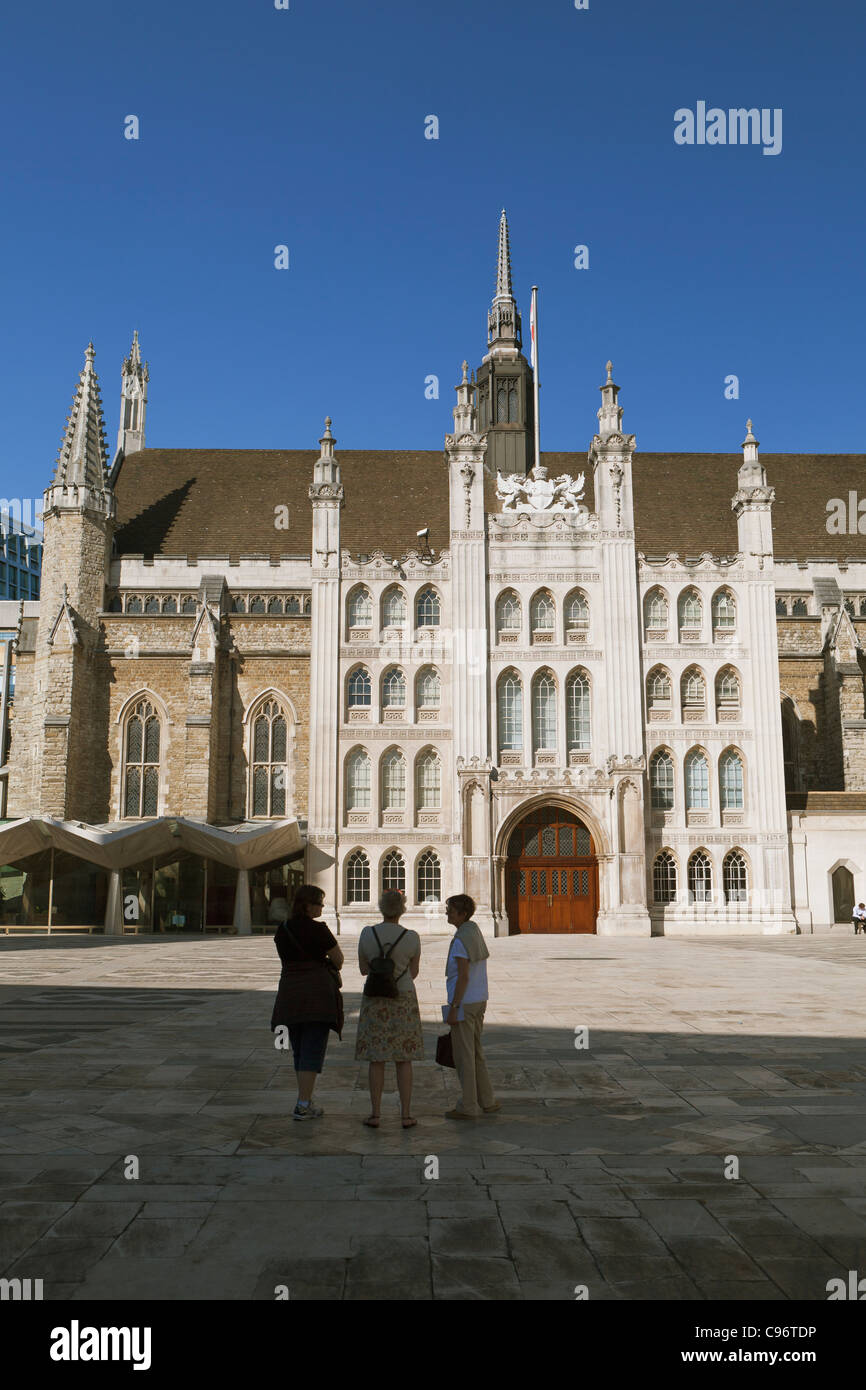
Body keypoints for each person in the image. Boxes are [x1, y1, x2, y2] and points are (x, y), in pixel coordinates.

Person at [270, 884, 344, 1120]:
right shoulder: (319, 930)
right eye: (319, 903)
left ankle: (305, 1098)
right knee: (312, 1048)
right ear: (308, 905)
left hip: (290, 992)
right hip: (316, 994)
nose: (322, 907)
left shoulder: (283, 929)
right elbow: (338, 959)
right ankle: (303, 1103)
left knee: (300, 1049)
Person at [355, 889, 423, 1128]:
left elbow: (364, 969)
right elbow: (413, 972)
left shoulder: (367, 933)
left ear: (381, 908)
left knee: (377, 1058)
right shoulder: (412, 936)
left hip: (375, 998)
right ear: (403, 909)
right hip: (403, 997)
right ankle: (405, 1115)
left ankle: (375, 1114)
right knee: (403, 1059)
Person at [443, 894, 499, 1120]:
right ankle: (487, 1100)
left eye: (451, 910)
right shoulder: (474, 931)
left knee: (464, 1056)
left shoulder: (460, 940)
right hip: (480, 999)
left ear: (462, 914)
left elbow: (463, 976)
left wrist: (455, 1006)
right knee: (476, 1052)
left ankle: (468, 1105)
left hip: (465, 1003)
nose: (447, 912)